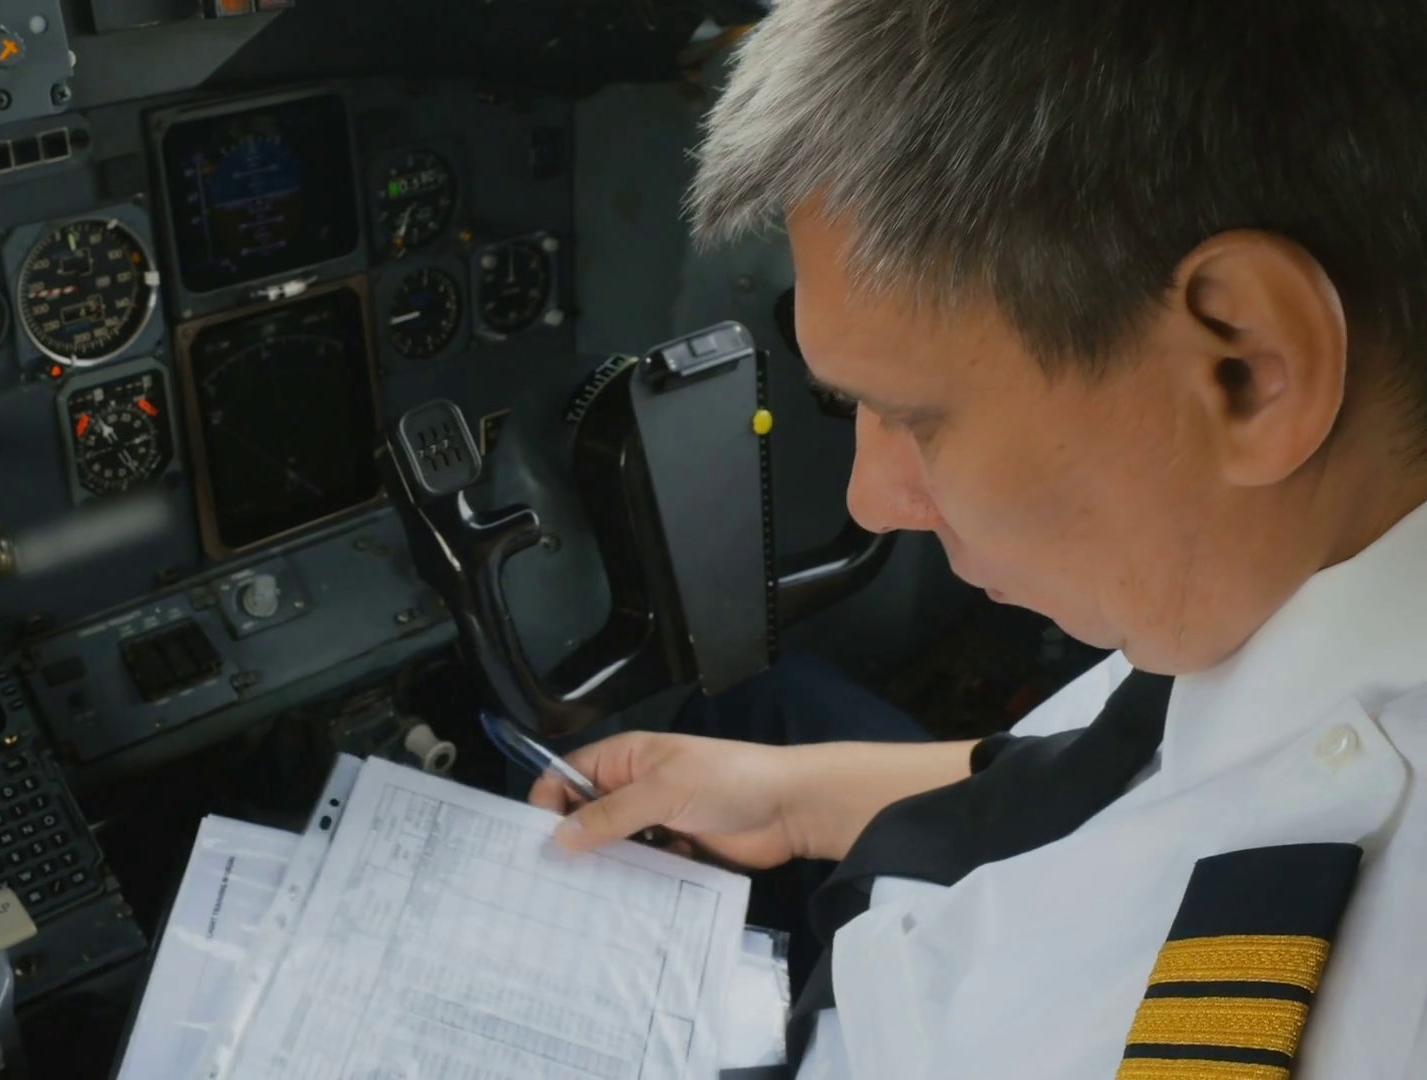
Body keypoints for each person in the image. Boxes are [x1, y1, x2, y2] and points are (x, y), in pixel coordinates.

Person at [529, 2, 1427, 1077]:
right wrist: (788, 799)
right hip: (913, 898)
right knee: (761, 708)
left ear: (1247, 369)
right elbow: (1121, 763)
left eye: (914, 418)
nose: (873, 499)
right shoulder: (1262, 575)